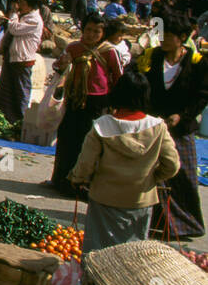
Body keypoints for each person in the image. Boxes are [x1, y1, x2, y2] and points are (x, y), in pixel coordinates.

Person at [69, 70, 179, 253]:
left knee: (99, 252)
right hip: (140, 199)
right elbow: (172, 165)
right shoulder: (158, 127)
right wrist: (151, 178)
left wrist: (78, 179)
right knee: (133, 254)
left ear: (117, 94)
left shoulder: (101, 126)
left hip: (104, 197)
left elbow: (85, 164)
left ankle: (94, 283)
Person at [134, 14, 208, 239]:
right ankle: (154, 221)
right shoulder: (152, 57)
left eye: (169, 36)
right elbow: (139, 85)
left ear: (182, 38)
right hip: (154, 125)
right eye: (162, 35)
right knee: (150, 173)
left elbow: (202, 95)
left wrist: (183, 116)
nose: (163, 40)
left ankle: (184, 224)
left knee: (182, 174)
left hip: (180, 127)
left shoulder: (197, 63)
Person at [49, 12, 124, 193]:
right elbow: (58, 66)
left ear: (103, 33)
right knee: (68, 137)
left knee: (90, 142)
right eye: (88, 30)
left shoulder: (110, 51)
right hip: (76, 99)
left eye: (96, 32)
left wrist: (117, 103)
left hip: (98, 101)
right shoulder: (75, 47)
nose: (91, 35)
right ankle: (62, 179)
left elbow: (119, 77)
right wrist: (63, 63)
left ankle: (84, 183)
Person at [0, 0, 45, 124]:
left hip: (23, 60)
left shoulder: (34, 20)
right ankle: (7, 116)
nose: (19, 5)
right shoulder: (26, 16)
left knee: (21, 91)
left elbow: (15, 28)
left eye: (22, 3)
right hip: (13, 58)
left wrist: (14, 14)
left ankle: (21, 119)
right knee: (7, 89)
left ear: (30, 5)